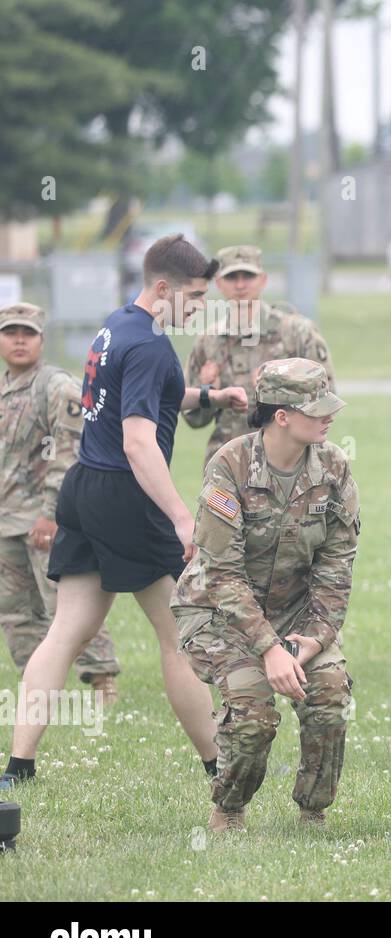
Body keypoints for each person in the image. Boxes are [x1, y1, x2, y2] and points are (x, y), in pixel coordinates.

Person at [0, 235, 247, 791]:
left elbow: (145, 396)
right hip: (126, 496)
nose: (200, 306)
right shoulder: (151, 346)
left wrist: (210, 398)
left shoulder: (118, 326)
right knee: (177, 635)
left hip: (83, 489)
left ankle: (17, 768)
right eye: (196, 295)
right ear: (164, 289)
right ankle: (220, 767)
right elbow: (138, 441)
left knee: (65, 632)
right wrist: (183, 518)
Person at [173, 358, 358, 831]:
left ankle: (313, 810)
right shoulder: (230, 465)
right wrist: (270, 650)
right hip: (220, 614)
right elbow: (223, 574)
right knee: (253, 713)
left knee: (329, 693)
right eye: (317, 409)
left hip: (297, 613)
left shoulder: (334, 465)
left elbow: (336, 566)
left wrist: (312, 640)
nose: (329, 416)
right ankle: (228, 811)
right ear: (282, 415)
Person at [0, 303, 120, 704]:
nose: (19, 340)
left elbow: (68, 453)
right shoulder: (3, 387)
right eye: (10, 332)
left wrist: (50, 514)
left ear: (41, 339)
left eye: (28, 333)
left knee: (68, 605)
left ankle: (102, 680)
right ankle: (38, 685)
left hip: (46, 518)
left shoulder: (56, 386)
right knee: (16, 613)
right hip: (6, 520)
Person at [184, 244, 335, 467]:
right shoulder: (209, 341)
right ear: (219, 284)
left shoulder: (296, 332)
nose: (240, 284)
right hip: (228, 465)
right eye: (232, 277)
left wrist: (279, 390)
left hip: (290, 465)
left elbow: (326, 401)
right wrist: (209, 391)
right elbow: (192, 417)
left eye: (248, 275)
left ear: (263, 280)